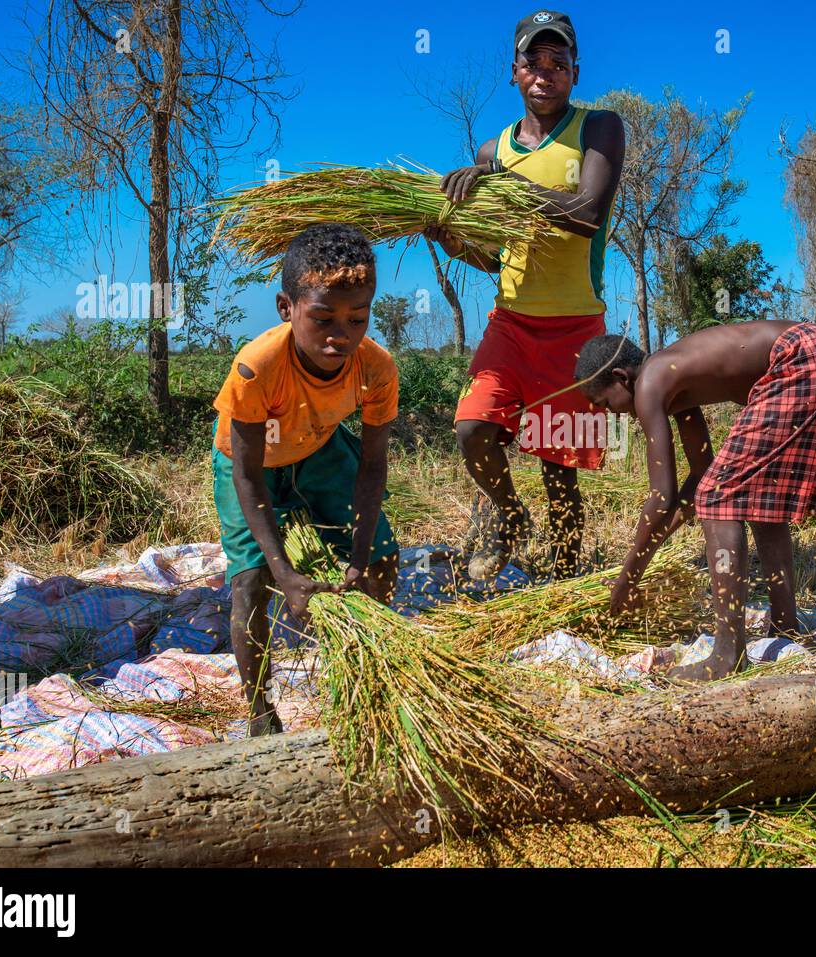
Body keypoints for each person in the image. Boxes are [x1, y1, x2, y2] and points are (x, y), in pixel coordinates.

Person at [424, 10, 624, 581]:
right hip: (511, 322)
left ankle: (564, 580)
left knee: (560, 465)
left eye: (557, 64)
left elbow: (586, 214)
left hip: (576, 327)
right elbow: (494, 259)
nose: (545, 74)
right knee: (473, 427)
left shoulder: (599, 127)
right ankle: (509, 517)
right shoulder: (493, 153)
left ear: (575, 73)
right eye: (532, 63)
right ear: (513, 72)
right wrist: (451, 239)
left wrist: (508, 186)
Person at [575, 321, 816, 681]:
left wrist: (627, 580)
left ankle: (727, 655)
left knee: (721, 498)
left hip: (803, 357)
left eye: (604, 402)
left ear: (622, 378)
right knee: (759, 502)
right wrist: (674, 523)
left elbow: (663, 496)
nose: (610, 413)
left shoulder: (650, 382)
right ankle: (785, 626)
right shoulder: (672, 377)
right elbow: (701, 474)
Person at [211, 223, 400, 736]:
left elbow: (372, 465)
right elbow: (248, 475)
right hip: (249, 462)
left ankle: (362, 689)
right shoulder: (257, 368)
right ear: (286, 308)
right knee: (253, 581)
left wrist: (358, 559)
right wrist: (285, 572)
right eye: (322, 318)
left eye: (357, 318)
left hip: (319, 446)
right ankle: (259, 711)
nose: (340, 335)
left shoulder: (376, 368)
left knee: (382, 561)